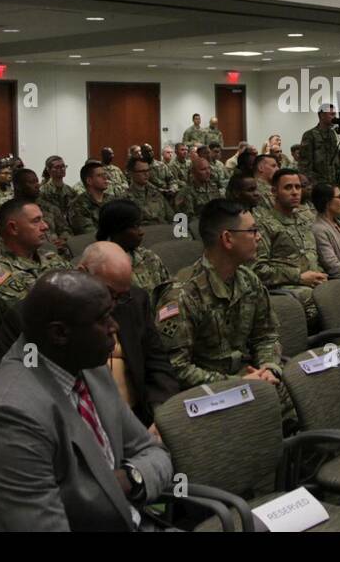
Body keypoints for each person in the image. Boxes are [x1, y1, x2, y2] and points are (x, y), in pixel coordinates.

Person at [0, 269, 173, 532]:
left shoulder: (87, 365)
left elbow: (155, 452)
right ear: (60, 333)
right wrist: (110, 490)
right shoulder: (8, 417)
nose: (115, 327)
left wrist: (127, 479)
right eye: (103, 319)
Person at [157, 200, 296, 427]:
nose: (258, 237)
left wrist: (268, 367)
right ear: (227, 239)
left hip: (251, 379)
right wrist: (235, 382)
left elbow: (266, 335)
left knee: (302, 402)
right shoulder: (182, 294)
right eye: (252, 231)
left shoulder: (248, 279)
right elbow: (176, 368)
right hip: (208, 398)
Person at [76, 243, 180, 429]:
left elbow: (157, 363)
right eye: (109, 292)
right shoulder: (58, 312)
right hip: (87, 425)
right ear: (83, 273)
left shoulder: (134, 301)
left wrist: (163, 414)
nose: (113, 304)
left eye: (121, 295)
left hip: (138, 417)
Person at [0, 198, 69, 359]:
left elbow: (84, 291)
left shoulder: (51, 257)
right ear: (13, 228)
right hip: (31, 355)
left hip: (68, 340)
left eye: (43, 219)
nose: (45, 226)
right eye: (36, 221)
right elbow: (36, 320)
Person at [255, 168, 326, 327]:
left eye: (298, 187)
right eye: (288, 187)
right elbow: (258, 269)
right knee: (321, 303)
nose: (295, 192)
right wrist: (299, 277)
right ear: (274, 191)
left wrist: (320, 274)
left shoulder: (304, 220)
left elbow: (313, 256)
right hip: (284, 287)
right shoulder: (264, 225)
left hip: (315, 281)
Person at [96, 200, 171, 295]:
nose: (141, 232)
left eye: (139, 226)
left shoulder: (148, 256)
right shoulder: (100, 267)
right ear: (116, 229)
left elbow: (168, 291)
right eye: (135, 226)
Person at [70, 161, 118, 236]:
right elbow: (89, 234)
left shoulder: (113, 200)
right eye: (99, 175)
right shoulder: (78, 205)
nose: (105, 177)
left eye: (104, 174)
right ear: (89, 181)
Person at [174, 155, 224, 219]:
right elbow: (188, 220)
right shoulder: (186, 192)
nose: (208, 172)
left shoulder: (213, 187)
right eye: (203, 169)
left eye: (208, 168)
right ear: (193, 172)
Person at [125, 156, 172, 224]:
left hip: (162, 231)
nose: (146, 174)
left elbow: (172, 217)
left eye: (147, 170)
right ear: (131, 173)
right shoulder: (125, 198)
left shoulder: (156, 194)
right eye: (142, 171)